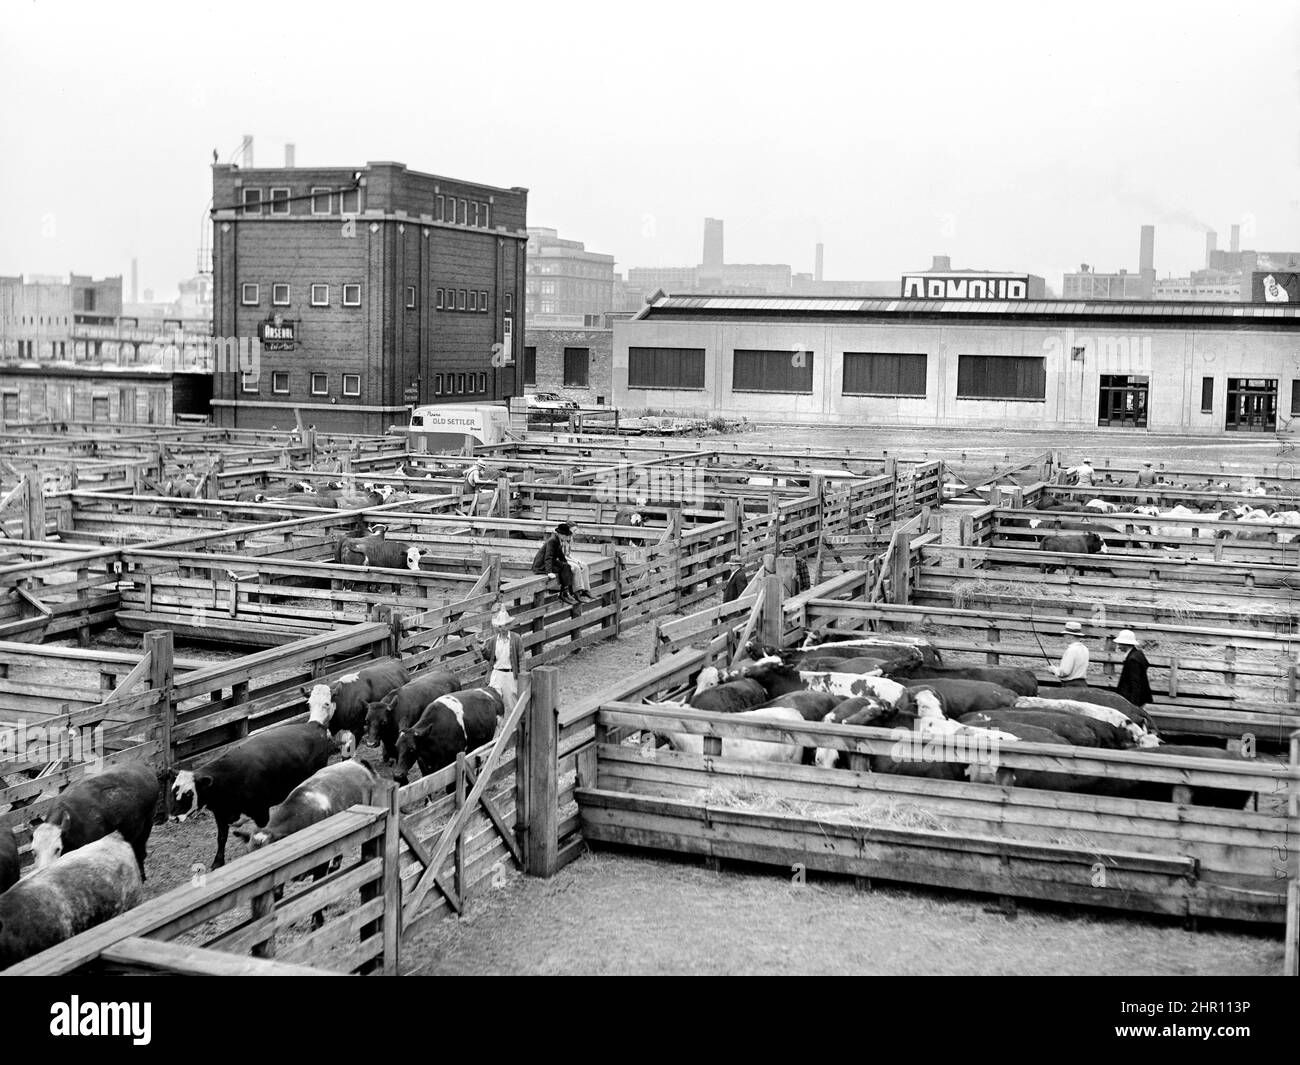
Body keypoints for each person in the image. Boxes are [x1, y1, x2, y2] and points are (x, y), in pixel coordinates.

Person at [479, 604, 526, 709]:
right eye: (500, 626)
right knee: (494, 701)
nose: (502, 628)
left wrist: (522, 674)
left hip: (510, 674)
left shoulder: (516, 638)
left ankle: (513, 725)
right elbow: (490, 657)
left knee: (511, 702)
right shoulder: (494, 640)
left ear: (509, 625)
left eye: (505, 625)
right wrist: (483, 649)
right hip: (497, 674)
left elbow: (521, 657)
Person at [1113, 629, 1152, 708]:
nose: (1118, 646)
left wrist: (1133, 705)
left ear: (1125, 644)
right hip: (1138, 699)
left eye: (1120, 644)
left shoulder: (1132, 659)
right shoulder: (1137, 654)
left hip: (1132, 699)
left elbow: (1135, 683)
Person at [1050, 621, 1090, 687]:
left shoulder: (1071, 650)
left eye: (1065, 635)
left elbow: (1064, 672)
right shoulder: (1085, 649)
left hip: (1071, 685)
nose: (1064, 637)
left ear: (1070, 636)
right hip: (1083, 684)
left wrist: (1053, 669)